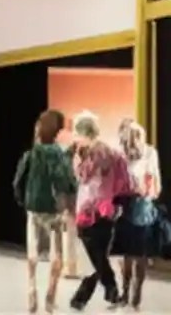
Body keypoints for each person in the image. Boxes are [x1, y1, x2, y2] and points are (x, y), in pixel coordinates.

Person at [13, 109, 77, 314]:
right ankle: (50, 297)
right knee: (56, 254)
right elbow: (67, 180)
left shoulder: (30, 155)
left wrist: (23, 200)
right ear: (57, 131)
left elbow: (17, 182)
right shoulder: (60, 154)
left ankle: (31, 290)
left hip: (34, 208)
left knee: (32, 253)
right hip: (55, 210)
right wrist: (70, 197)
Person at [69, 112, 130, 310]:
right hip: (108, 210)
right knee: (99, 255)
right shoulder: (113, 152)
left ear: (82, 132)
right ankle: (103, 293)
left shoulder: (88, 153)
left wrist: (76, 157)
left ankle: (96, 293)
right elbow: (124, 182)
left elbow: (82, 176)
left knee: (94, 256)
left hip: (88, 210)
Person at [113, 121, 161, 309]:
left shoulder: (150, 153)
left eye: (136, 137)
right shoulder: (120, 155)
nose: (133, 142)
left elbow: (153, 181)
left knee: (138, 254)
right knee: (125, 255)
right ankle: (125, 293)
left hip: (141, 206)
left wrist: (146, 191)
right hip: (124, 206)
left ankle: (136, 297)